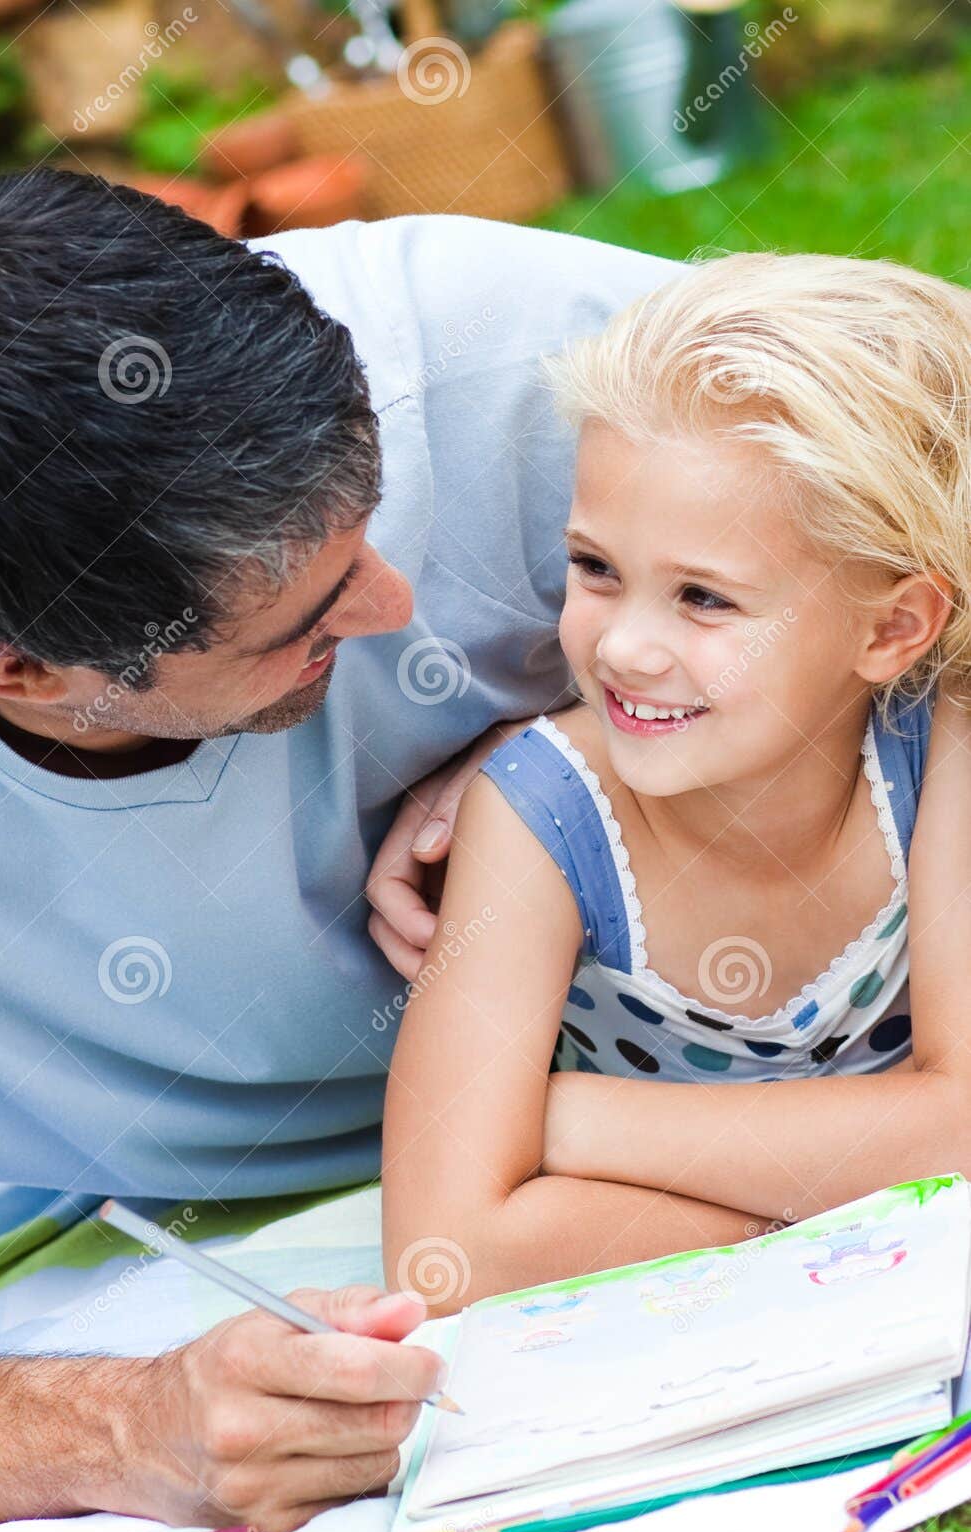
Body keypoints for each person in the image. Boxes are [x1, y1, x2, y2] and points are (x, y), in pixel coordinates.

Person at [0, 168, 675, 1532]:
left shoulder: (493, 344)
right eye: (312, 621)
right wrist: (123, 1430)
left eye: (373, 526)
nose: (396, 604)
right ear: (30, 674)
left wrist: (586, 735)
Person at [383, 252, 971, 1311]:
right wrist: (849, 1192)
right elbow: (445, 1249)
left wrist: (573, 1123)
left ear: (890, 627)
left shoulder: (941, 742)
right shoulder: (541, 817)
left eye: (704, 597)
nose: (625, 650)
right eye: (595, 568)